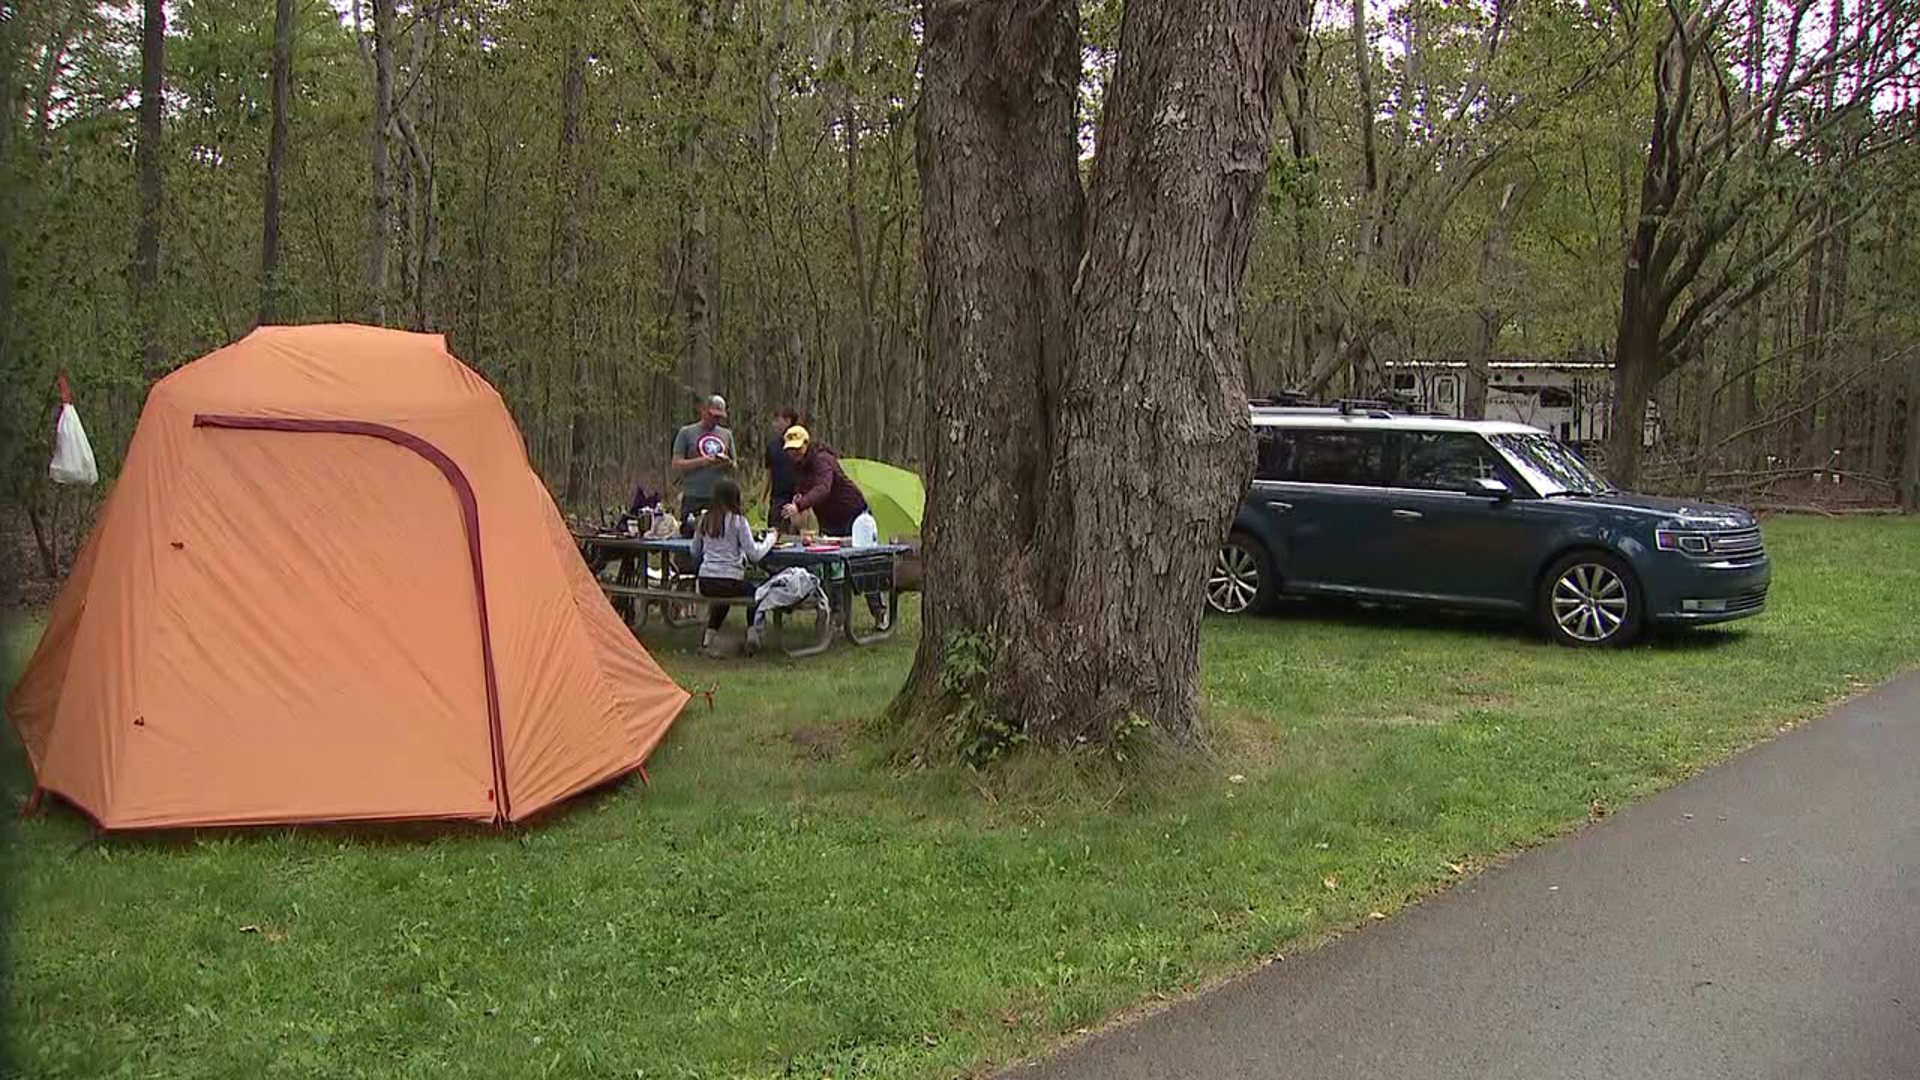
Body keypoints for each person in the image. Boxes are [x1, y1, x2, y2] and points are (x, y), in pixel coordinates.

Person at [781, 425, 889, 629]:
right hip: (830, 521)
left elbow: (823, 488)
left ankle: (879, 611)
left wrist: (800, 504)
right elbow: (803, 488)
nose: (793, 454)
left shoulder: (823, 460)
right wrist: (798, 497)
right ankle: (836, 614)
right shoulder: (799, 467)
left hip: (854, 516)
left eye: (797, 449)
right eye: (790, 450)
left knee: (862, 565)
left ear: (806, 444)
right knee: (832, 567)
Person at [690, 478, 776, 653]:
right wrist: (771, 539)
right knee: (756, 592)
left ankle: (708, 640)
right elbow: (755, 554)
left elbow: (694, 551)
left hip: (705, 582)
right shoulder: (739, 522)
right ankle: (753, 636)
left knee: (722, 600)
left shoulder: (704, 520)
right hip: (729, 580)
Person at [670, 394, 736, 533]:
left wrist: (727, 463)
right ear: (704, 411)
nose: (715, 420)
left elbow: (734, 466)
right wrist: (703, 461)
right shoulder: (687, 433)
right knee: (690, 534)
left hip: (719, 497)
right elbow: (676, 464)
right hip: (694, 495)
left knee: (719, 536)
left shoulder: (726, 434)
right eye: (713, 416)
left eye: (719, 417)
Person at [764, 406, 802, 531]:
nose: (775, 424)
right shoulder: (772, 446)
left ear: (788, 421)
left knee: (796, 531)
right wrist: (762, 497)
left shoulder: (801, 443)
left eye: (777, 420)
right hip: (778, 496)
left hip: (798, 495)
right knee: (775, 530)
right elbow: (768, 472)